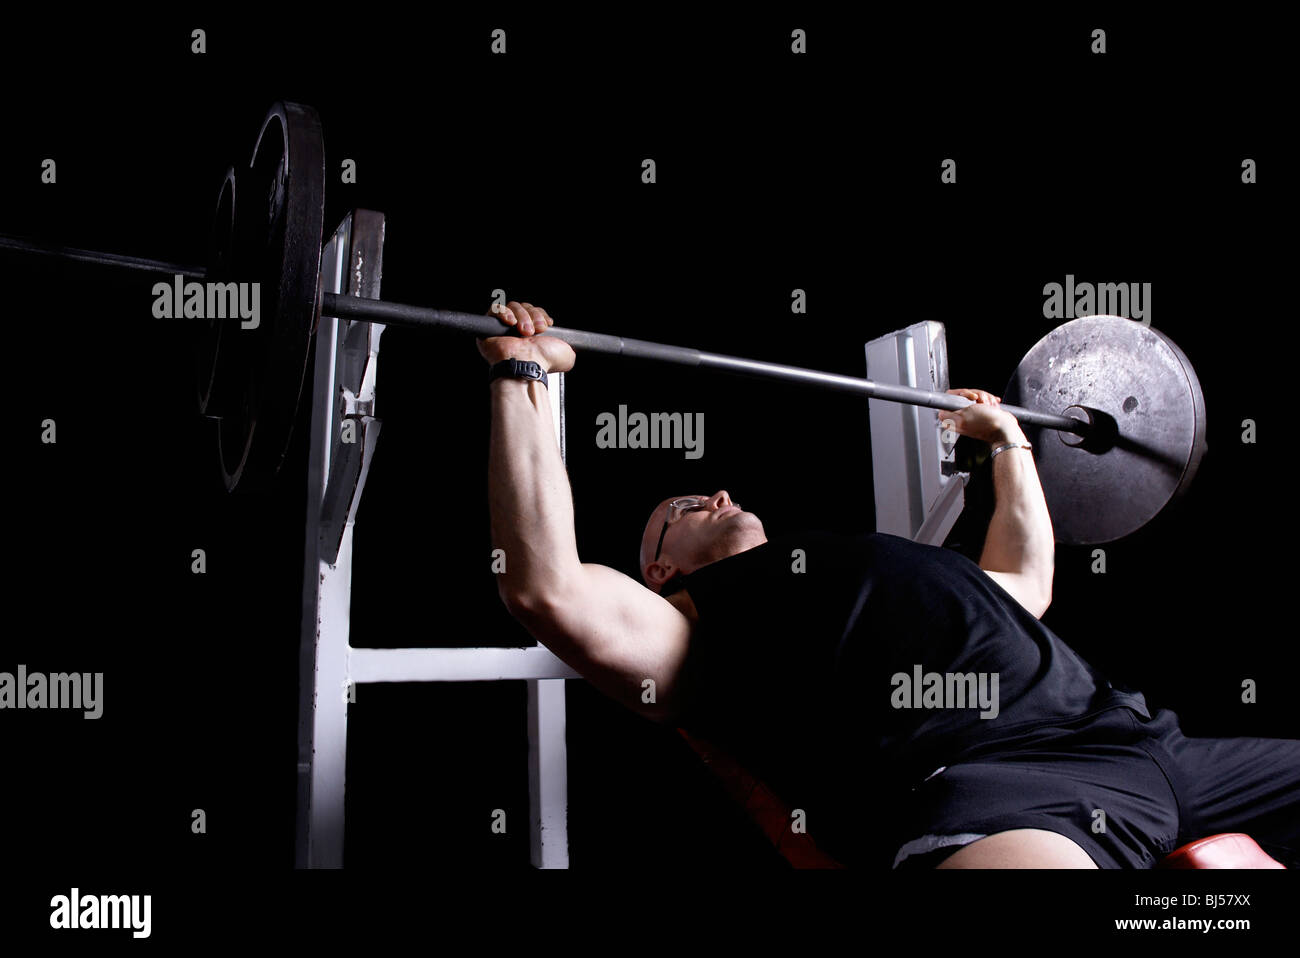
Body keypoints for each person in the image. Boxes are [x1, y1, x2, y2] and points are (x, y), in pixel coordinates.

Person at [478, 300, 1300, 869]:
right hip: (1006, 790)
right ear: (659, 571)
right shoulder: (697, 636)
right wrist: (526, 373)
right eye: (688, 506)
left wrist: (1007, 444)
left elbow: (1025, 579)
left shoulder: (875, 559)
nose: (719, 494)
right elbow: (544, 584)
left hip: (1148, 742)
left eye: (717, 489)